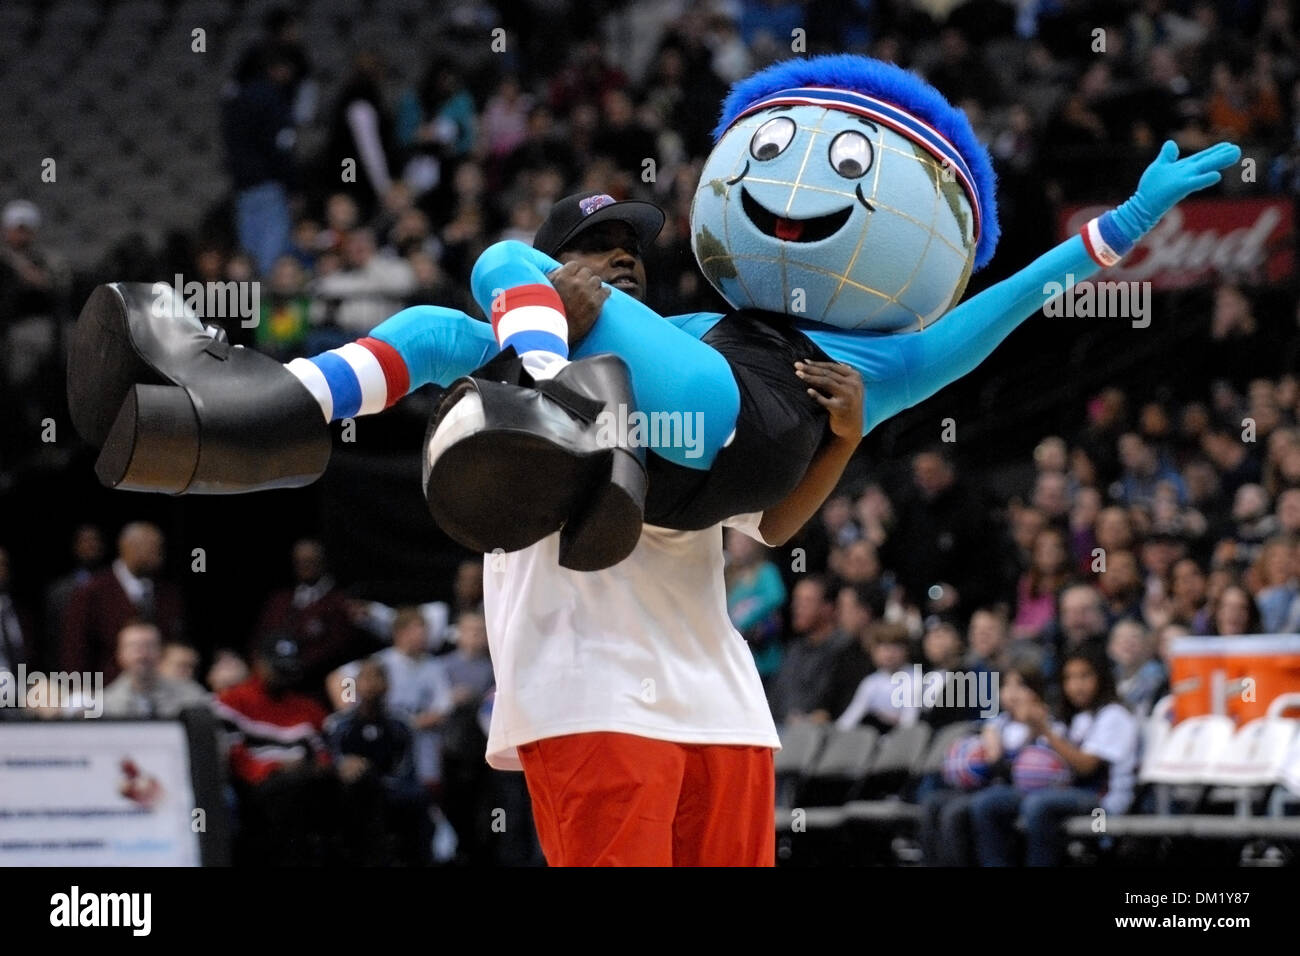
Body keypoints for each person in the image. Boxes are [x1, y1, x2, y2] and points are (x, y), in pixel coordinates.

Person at [969, 646, 1139, 866]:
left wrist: (1045, 730)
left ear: (1102, 678)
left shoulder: (1114, 716)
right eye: (1069, 678)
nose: (1076, 686)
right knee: (989, 802)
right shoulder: (1078, 717)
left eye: (1085, 676)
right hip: (1067, 794)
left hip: (1103, 809)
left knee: (1038, 805)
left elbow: (1086, 767)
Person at [61, 522, 184, 680]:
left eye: (160, 548)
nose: (159, 554)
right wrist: (79, 689)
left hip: (159, 691)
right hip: (107, 693)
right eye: (152, 547)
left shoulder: (168, 593)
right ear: (127, 547)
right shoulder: (92, 591)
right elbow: (75, 650)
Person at [102, 623, 207, 719]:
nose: (142, 654)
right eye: (134, 646)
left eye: (149, 646)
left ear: (161, 651)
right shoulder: (105, 704)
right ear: (119, 654)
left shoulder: (191, 695)